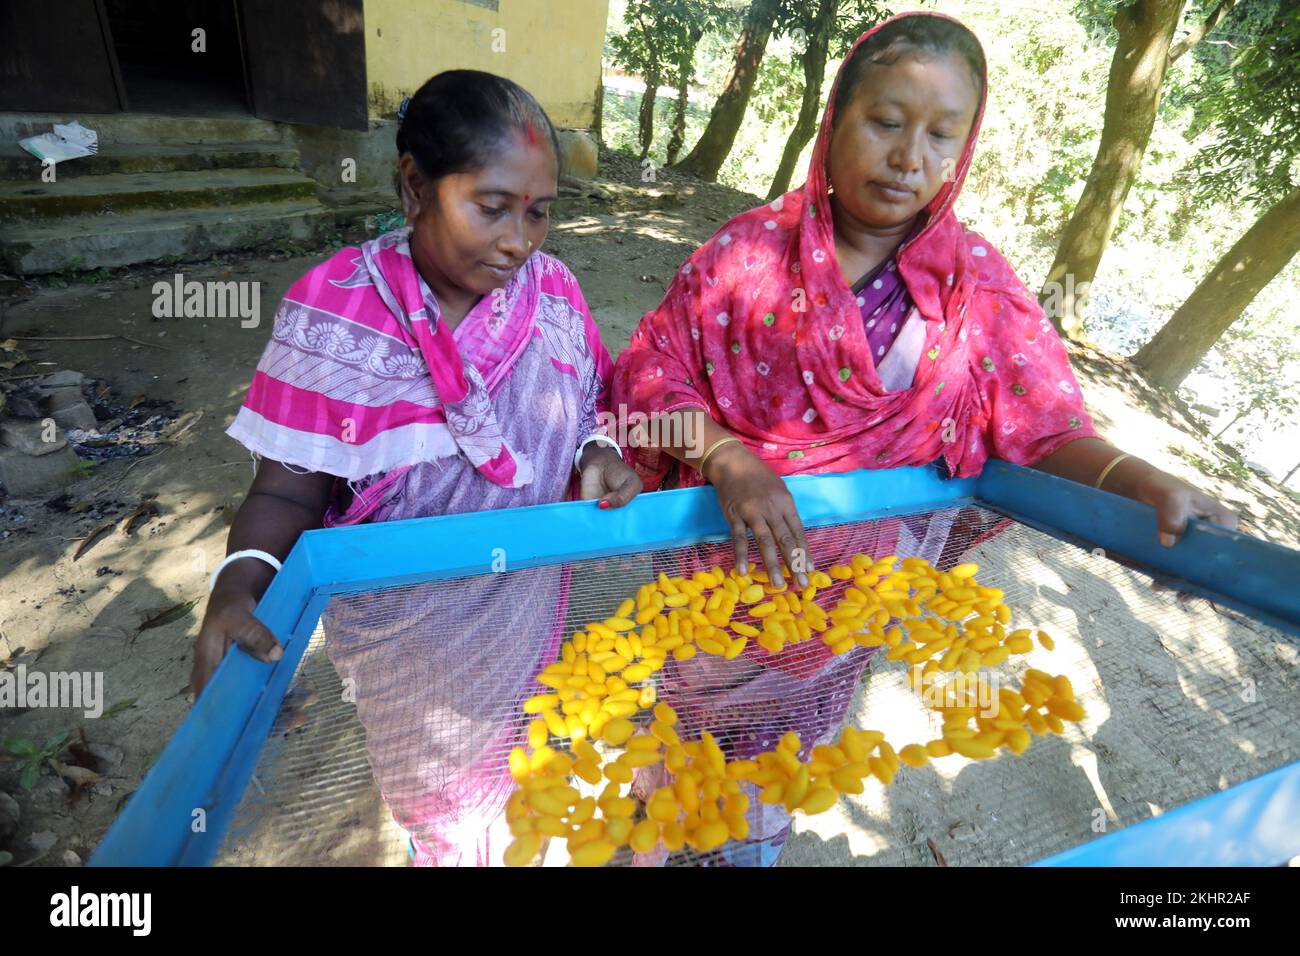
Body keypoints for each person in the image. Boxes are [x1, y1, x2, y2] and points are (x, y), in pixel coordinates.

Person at [611, 11, 1237, 865]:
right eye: (886, 122)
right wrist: (727, 455)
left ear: (964, 148)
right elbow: (647, 380)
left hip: (853, 607)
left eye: (942, 134)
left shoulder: (978, 289)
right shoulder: (745, 253)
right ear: (834, 121)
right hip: (725, 570)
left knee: (779, 763)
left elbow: (1040, 426)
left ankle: (737, 848)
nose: (911, 157)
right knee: (691, 730)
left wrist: (1137, 479)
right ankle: (663, 823)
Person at [190, 70, 642, 866]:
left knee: (518, 763)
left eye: (539, 212)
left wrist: (594, 452)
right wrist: (239, 585)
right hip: (407, 646)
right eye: (491, 207)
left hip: (524, 607)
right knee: (445, 810)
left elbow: (584, 411)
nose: (519, 241)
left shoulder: (556, 294)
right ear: (413, 186)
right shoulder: (336, 314)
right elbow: (289, 489)